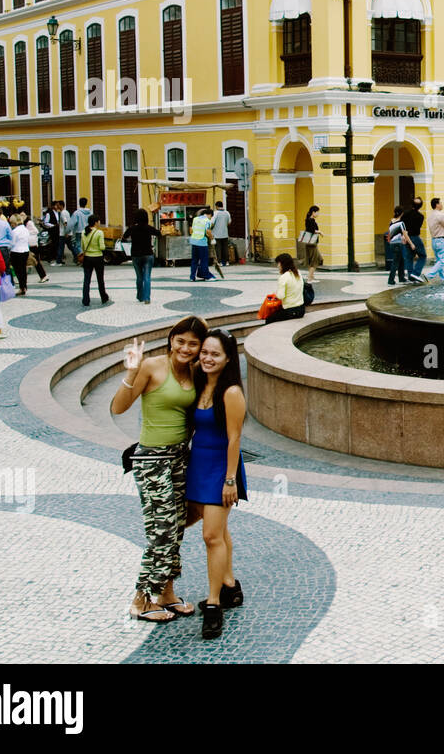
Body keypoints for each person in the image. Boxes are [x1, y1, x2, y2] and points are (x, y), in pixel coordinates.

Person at [112, 316, 209, 624]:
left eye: (193, 344)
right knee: (162, 529)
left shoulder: (195, 372)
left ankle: (166, 592)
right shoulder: (152, 366)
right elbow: (118, 407)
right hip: (152, 459)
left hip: (181, 456)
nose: (186, 348)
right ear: (171, 340)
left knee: (177, 526)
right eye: (180, 341)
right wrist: (130, 372)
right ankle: (140, 599)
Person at [181, 328, 247, 639]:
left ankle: (213, 603)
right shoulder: (198, 381)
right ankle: (231, 585)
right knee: (219, 531)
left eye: (215, 354)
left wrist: (230, 480)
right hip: (199, 462)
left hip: (222, 466)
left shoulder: (230, 392)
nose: (207, 358)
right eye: (204, 352)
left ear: (228, 358)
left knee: (210, 536)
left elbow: (235, 439)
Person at [120, 208, 161, 304]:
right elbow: (158, 234)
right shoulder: (148, 227)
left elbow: (124, 237)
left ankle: (140, 296)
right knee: (147, 277)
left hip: (136, 255)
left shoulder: (132, 228)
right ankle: (147, 298)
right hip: (148, 254)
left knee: (139, 277)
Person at [80, 213, 111, 306]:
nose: (99, 222)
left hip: (87, 258)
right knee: (100, 279)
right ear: (96, 222)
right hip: (98, 258)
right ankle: (103, 297)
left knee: (86, 280)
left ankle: (85, 299)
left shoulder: (83, 232)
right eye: (98, 221)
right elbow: (102, 247)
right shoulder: (99, 233)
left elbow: (82, 246)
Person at [266, 253, 306, 322]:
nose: (278, 266)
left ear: (283, 264)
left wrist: (276, 293)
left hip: (290, 311)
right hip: (301, 309)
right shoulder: (298, 273)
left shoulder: (284, 277)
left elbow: (281, 296)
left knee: (269, 319)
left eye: (278, 263)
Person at [426, 197, 444, 280]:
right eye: (441, 203)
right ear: (437, 205)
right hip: (440, 240)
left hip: (434, 240)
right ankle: (429, 275)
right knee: (442, 261)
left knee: (439, 260)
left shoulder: (431, 215)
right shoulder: (440, 215)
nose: (442, 205)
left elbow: (440, 221)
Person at [399, 198, 426, 282]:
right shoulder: (420, 216)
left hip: (406, 237)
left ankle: (410, 275)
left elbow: (401, 226)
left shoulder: (405, 214)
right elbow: (417, 228)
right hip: (414, 237)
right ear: (420, 206)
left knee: (409, 257)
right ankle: (416, 273)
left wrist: (402, 236)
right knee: (422, 255)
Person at [188, 207, 216, 282]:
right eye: (211, 217)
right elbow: (208, 231)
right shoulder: (207, 221)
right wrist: (212, 238)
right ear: (210, 215)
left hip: (194, 241)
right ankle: (206, 276)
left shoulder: (195, 219)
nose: (211, 218)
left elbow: (191, 230)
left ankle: (192, 277)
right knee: (204, 260)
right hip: (202, 243)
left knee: (194, 260)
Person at [8, 214, 33, 296]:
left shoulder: (14, 231)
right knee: (23, 270)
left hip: (16, 251)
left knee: (18, 271)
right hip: (25, 250)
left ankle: (21, 287)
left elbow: (12, 243)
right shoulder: (25, 229)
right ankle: (24, 286)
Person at [22, 213, 49, 285]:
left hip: (32, 244)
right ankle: (42, 276)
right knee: (30, 262)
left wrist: (26, 233)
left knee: (36, 261)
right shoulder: (25, 223)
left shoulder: (29, 223)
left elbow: (36, 231)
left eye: (23, 215)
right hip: (29, 244)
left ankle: (43, 276)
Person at [300, 206, 322, 283]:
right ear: (313, 212)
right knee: (315, 260)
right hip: (312, 243)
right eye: (317, 212)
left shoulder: (309, 220)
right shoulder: (311, 220)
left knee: (317, 258)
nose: (318, 214)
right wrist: (319, 232)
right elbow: (311, 230)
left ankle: (311, 276)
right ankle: (310, 278)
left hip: (311, 243)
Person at [385, 206, 405, 285]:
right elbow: (404, 233)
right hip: (397, 244)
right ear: (402, 213)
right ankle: (391, 280)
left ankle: (401, 277)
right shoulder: (400, 223)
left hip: (392, 244)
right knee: (396, 262)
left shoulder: (391, 222)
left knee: (401, 260)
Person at [67, 197, 92, 262]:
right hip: (88, 231)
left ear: (79, 203)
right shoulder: (90, 212)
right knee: (86, 244)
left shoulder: (77, 213)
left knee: (78, 245)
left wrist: (67, 231)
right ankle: (87, 257)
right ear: (86, 203)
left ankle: (82, 257)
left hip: (79, 231)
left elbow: (71, 224)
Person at [211, 201, 232, 266]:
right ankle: (226, 261)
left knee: (218, 248)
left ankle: (219, 262)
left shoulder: (215, 213)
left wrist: (210, 228)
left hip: (217, 234)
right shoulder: (227, 213)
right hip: (225, 234)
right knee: (225, 248)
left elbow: (212, 223)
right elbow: (229, 222)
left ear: (216, 206)